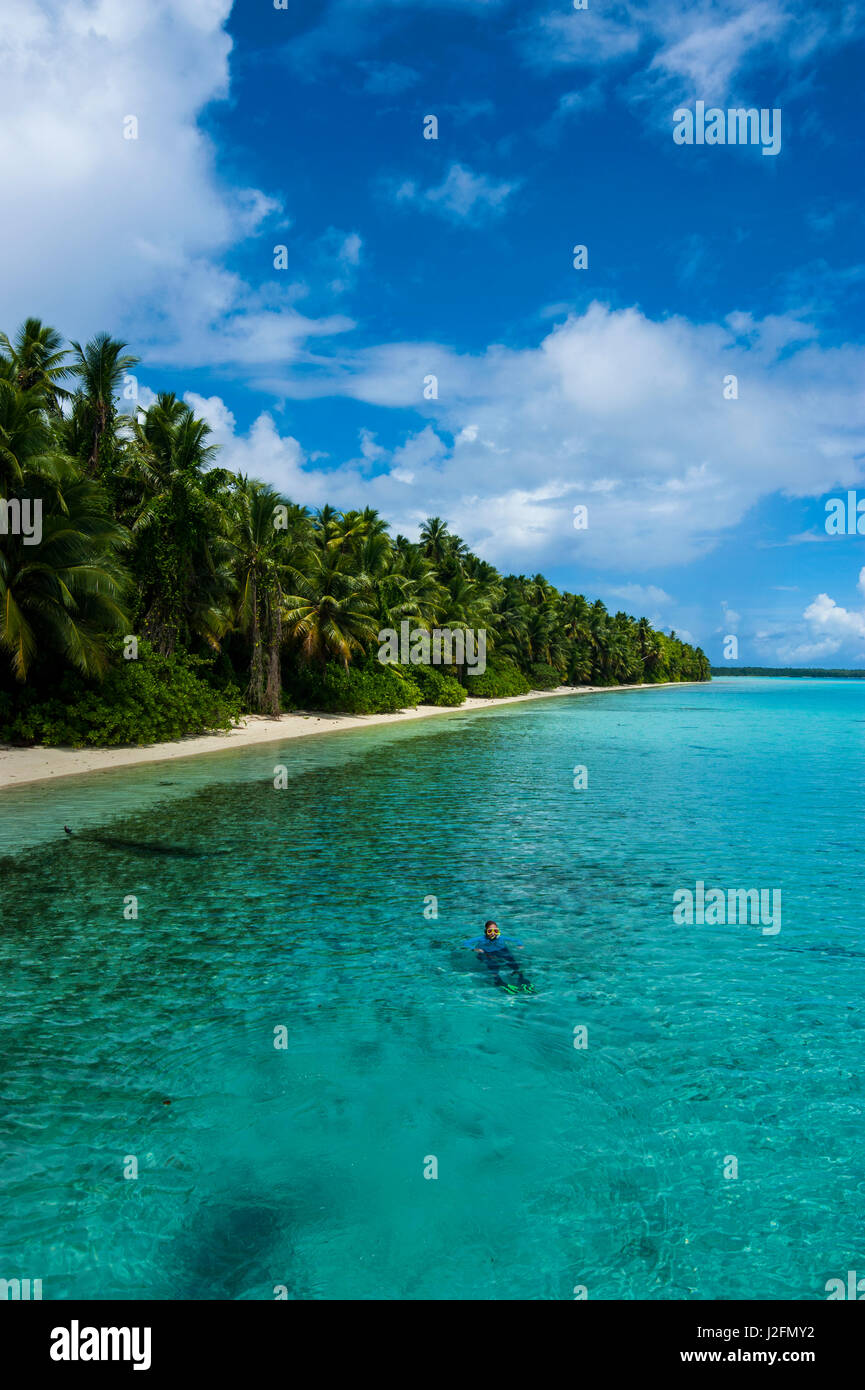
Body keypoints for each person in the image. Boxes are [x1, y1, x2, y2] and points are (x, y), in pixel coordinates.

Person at [462, 920, 534, 993]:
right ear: (485, 931)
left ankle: (521, 978)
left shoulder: (501, 938)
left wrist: (520, 944)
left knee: (513, 964)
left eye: (495, 931)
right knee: (493, 966)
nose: (493, 933)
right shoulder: (481, 938)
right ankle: (498, 980)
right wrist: (474, 949)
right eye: (490, 931)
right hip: (487, 952)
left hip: (501, 950)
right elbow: (465, 943)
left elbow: (517, 940)